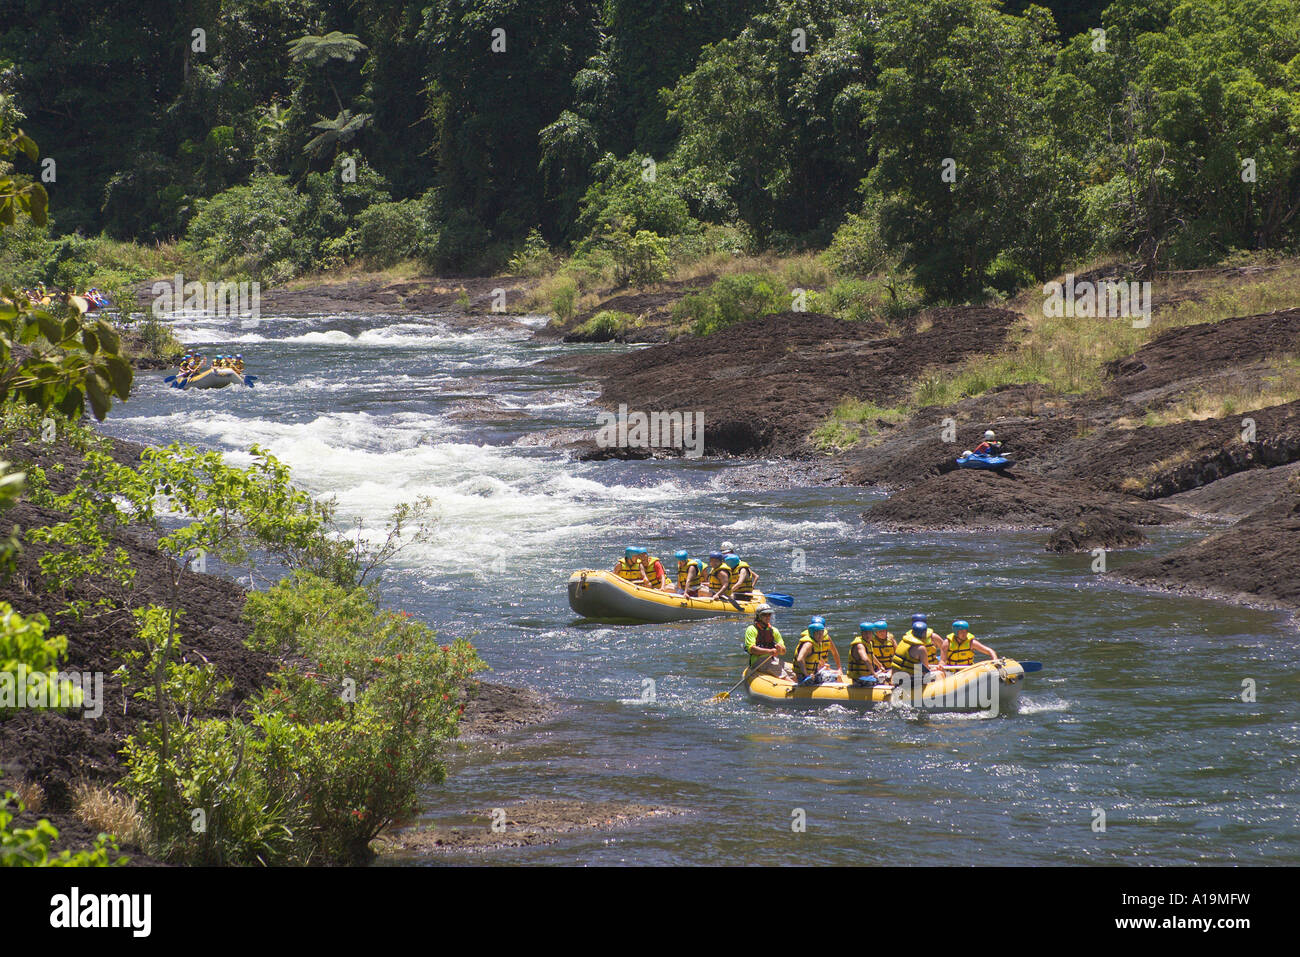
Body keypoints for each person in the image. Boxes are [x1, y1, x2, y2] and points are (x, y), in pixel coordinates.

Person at [889, 614, 946, 686]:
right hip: (908, 681)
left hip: (895, 678)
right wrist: (934, 670)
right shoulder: (921, 649)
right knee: (939, 674)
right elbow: (925, 672)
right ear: (925, 633)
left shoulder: (903, 641)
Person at [743, 605, 791, 679]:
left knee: (792, 674)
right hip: (758, 660)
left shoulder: (774, 630)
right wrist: (769, 651)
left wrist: (780, 649)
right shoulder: (751, 629)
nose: (768, 616)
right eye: (764, 614)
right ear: (758, 616)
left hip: (772, 659)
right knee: (785, 677)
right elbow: (752, 649)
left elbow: (783, 652)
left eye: (769, 614)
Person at [793, 616, 842, 684]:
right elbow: (800, 659)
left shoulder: (817, 642)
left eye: (821, 633)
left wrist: (838, 668)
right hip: (804, 676)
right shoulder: (808, 644)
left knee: (836, 677)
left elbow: (816, 656)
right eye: (818, 633)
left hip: (814, 672)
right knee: (836, 679)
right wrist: (806, 674)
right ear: (812, 633)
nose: (820, 636)